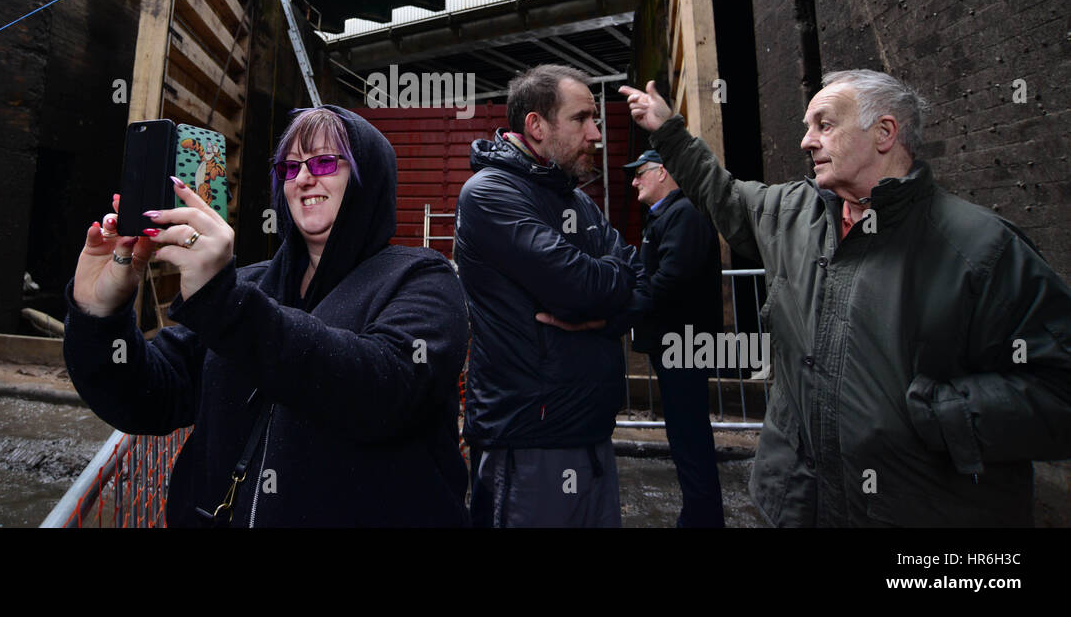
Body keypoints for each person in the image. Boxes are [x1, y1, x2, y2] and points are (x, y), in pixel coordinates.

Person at [622, 69, 1071, 526]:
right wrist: (668, 131)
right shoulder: (792, 214)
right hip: (798, 507)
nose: (806, 142)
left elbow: (1059, 388)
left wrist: (944, 415)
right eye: (806, 128)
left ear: (884, 133)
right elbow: (721, 193)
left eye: (825, 124)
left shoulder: (980, 249)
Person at [63, 106, 471, 527]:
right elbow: (149, 400)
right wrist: (99, 315)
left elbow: (384, 389)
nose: (305, 179)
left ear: (369, 177)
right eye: (290, 168)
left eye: (325, 162)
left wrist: (223, 302)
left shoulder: (422, 278)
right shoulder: (250, 285)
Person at [455, 64, 650, 527]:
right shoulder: (488, 194)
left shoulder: (579, 202)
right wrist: (606, 283)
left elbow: (642, 280)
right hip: (526, 442)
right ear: (536, 125)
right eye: (581, 118)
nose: (596, 133)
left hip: (593, 432)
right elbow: (578, 286)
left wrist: (604, 318)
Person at [625, 149, 725, 527]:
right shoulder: (667, 217)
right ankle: (700, 516)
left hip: (684, 346)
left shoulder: (683, 215)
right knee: (685, 438)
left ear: (663, 172)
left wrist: (625, 307)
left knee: (690, 440)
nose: (635, 181)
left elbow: (669, 281)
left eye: (640, 173)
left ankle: (702, 519)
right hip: (674, 345)